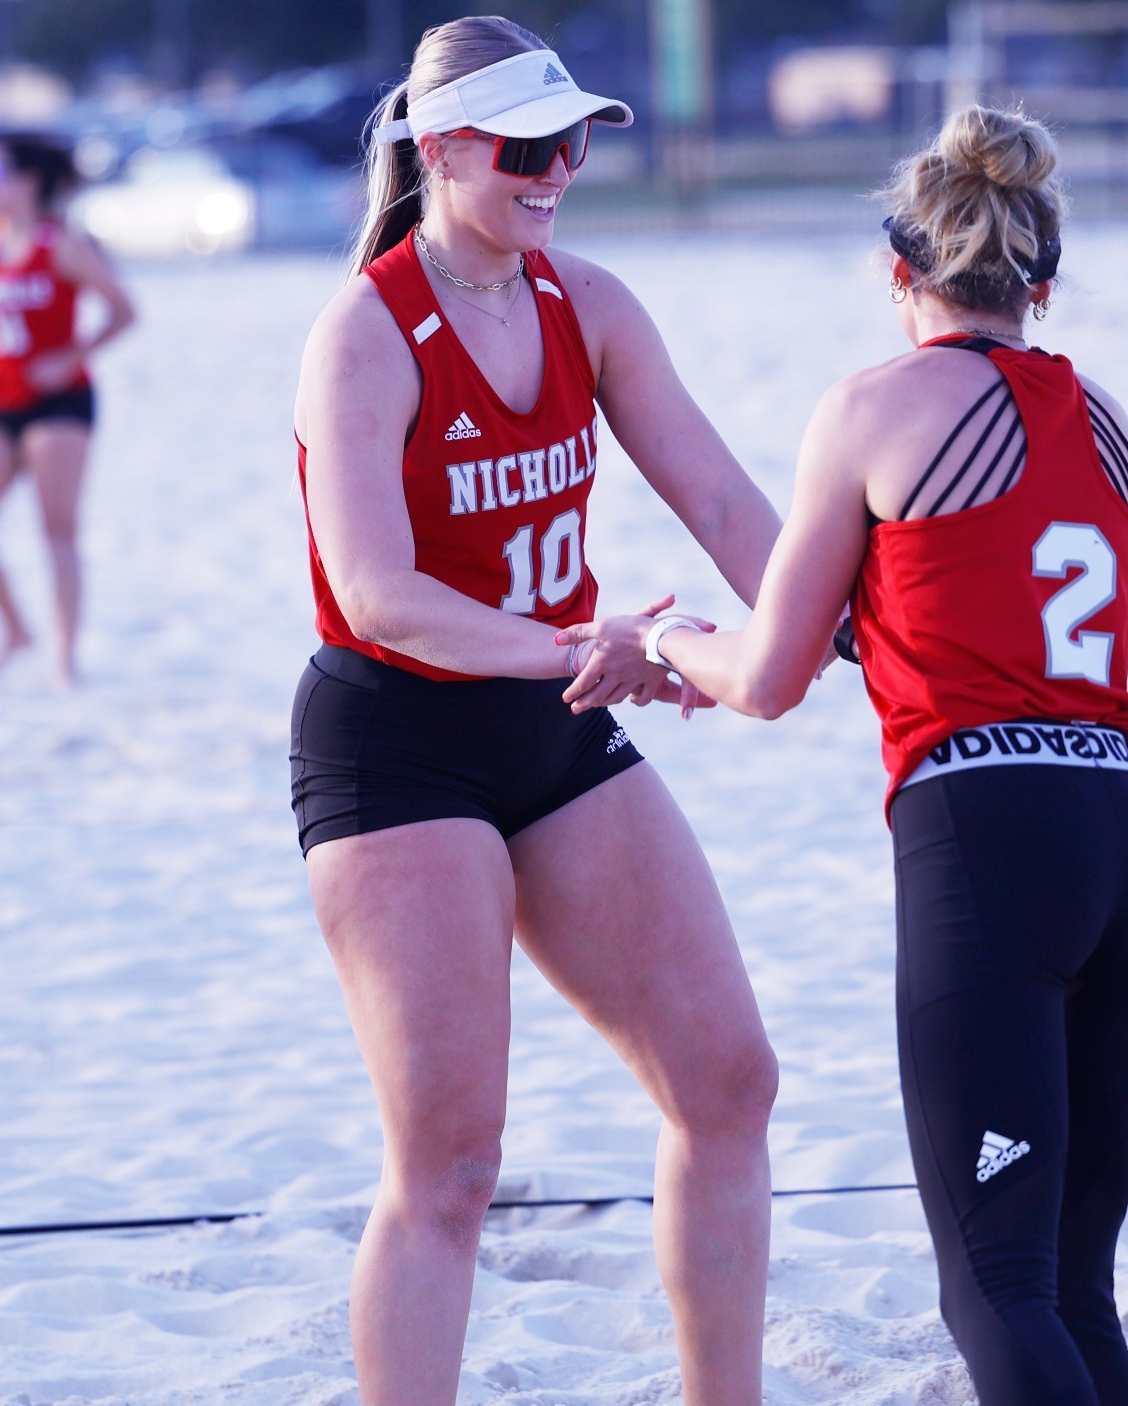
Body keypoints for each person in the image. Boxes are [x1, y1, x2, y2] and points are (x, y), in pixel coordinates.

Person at [556, 107, 1128, 1406]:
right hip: (1127, 834)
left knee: (995, 1285)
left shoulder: (871, 408)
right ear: (1042, 282)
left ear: (900, 274)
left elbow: (771, 677)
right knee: (1072, 1279)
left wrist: (668, 638)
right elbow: (960, 602)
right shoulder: (1110, 422)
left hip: (990, 839)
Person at [290, 17, 787, 1405]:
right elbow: (380, 596)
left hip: (557, 710)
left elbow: (727, 501)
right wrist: (596, 640)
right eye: (526, 146)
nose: (558, 169)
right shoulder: (367, 331)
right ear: (440, 148)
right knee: (451, 1162)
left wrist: (834, 632)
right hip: (398, 743)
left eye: (573, 141)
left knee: (729, 1080)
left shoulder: (593, 302)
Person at [0, 131, 137, 686]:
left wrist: (72, 355)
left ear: (27, 182)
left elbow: (124, 311)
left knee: (56, 531)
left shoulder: (62, 245)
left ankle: (64, 657)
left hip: (59, 401)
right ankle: (14, 629)